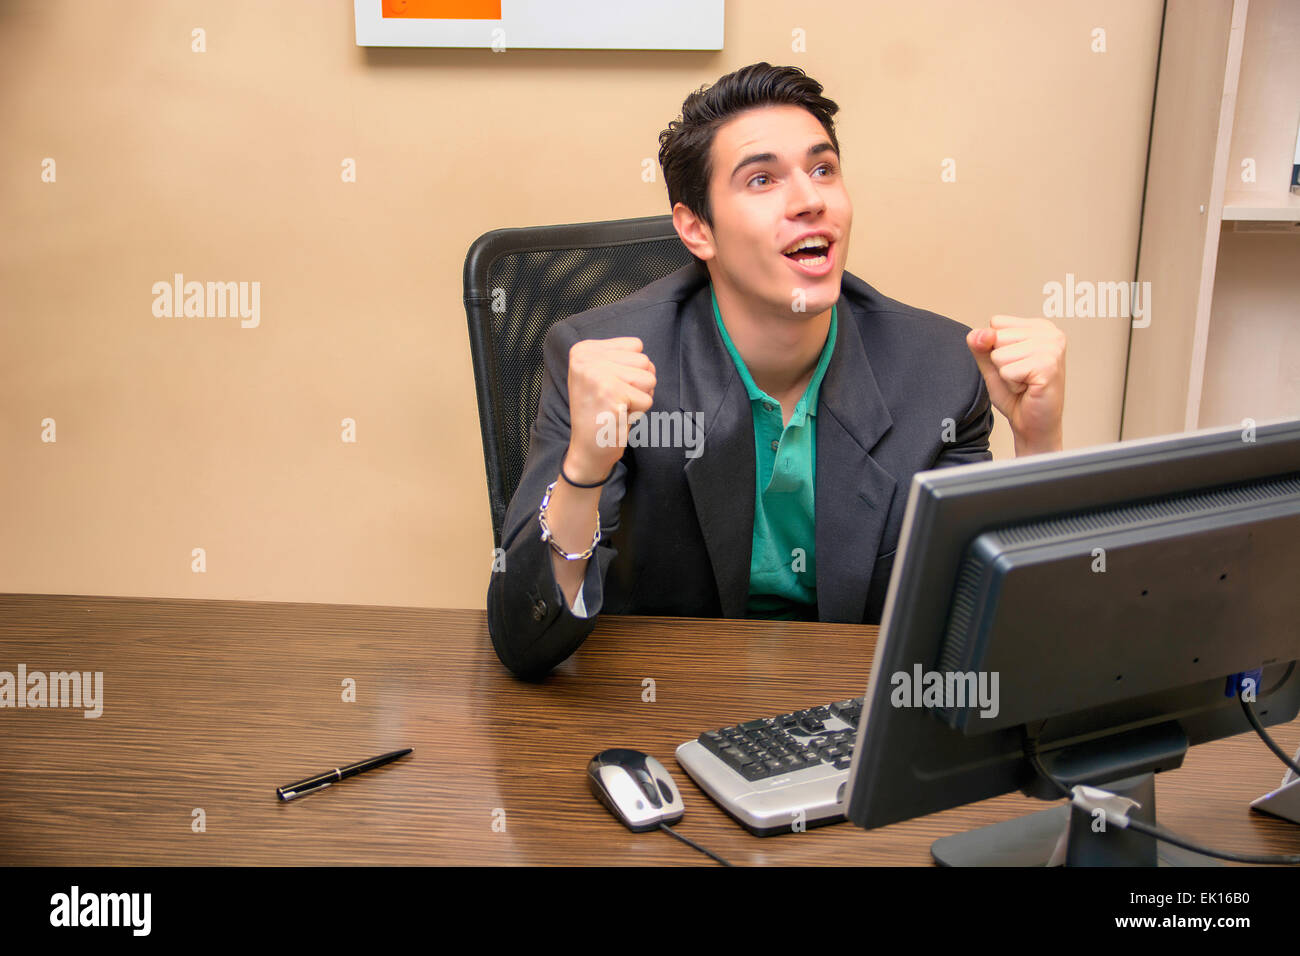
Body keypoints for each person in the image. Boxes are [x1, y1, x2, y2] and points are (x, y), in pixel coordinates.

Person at [486, 62, 1066, 679]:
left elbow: (1011, 640)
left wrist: (1040, 444)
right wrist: (585, 466)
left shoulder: (939, 371)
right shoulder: (604, 357)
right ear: (696, 229)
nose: (810, 199)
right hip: (669, 708)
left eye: (823, 170)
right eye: (762, 179)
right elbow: (525, 640)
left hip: (847, 720)